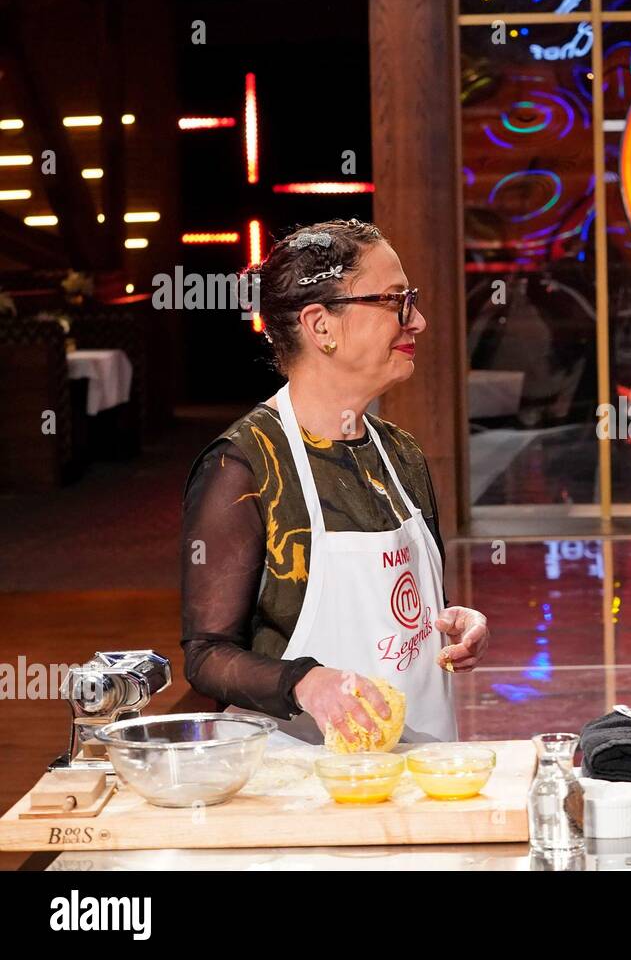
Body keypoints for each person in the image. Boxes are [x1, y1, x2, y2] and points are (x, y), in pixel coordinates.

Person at [181, 218, 489, 745]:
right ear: (321, 326)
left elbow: (399, 610)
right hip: (301, 789)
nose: (418, 321)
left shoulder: (402, 453)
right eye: (395, 301)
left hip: (420, 780)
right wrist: (304, 681)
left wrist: (453, 621)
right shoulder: (246, 465)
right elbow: (207, 654)